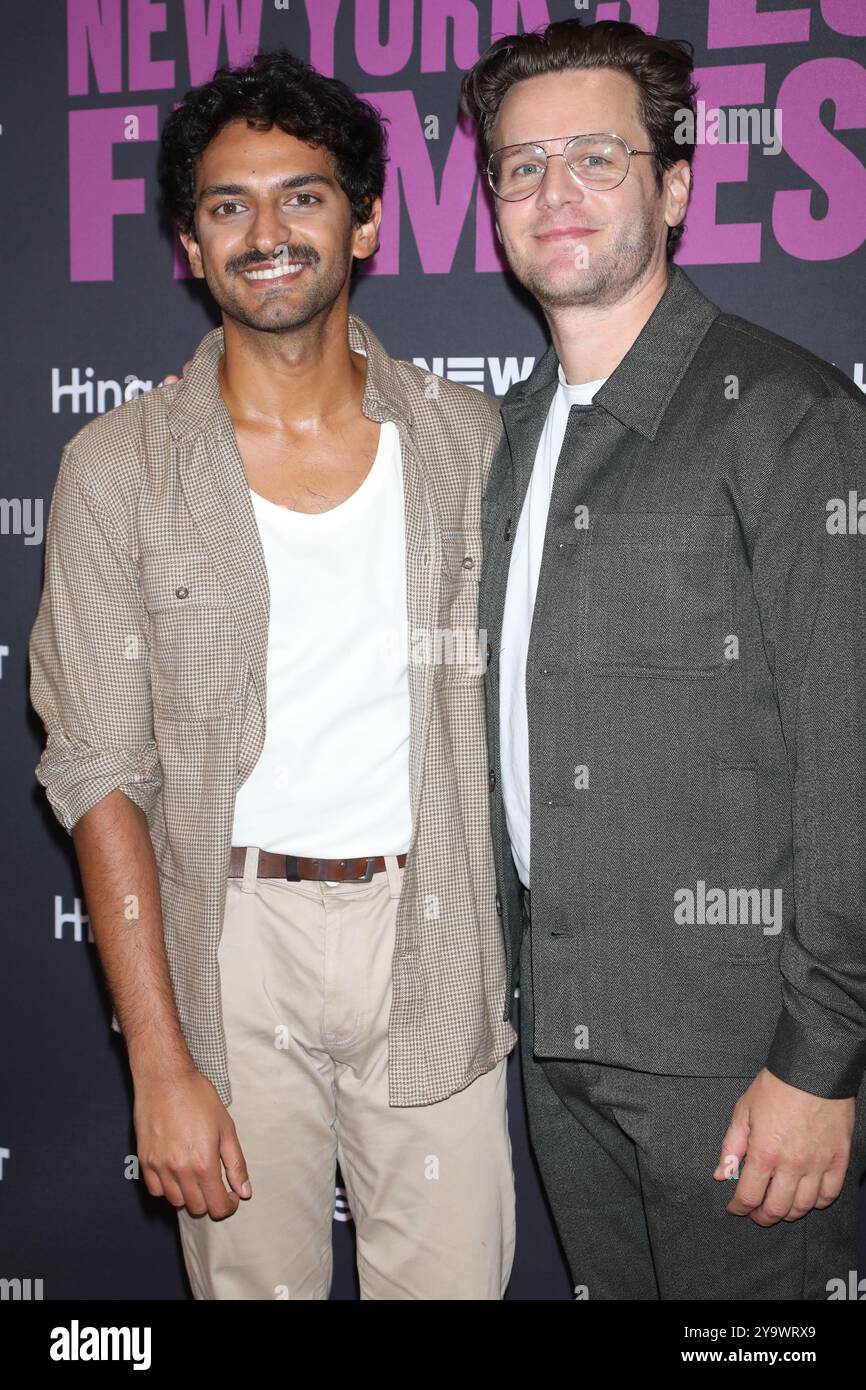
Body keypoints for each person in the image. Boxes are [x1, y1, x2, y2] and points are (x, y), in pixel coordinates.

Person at [28, 48, 516, 1301]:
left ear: (364, 221)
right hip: (229, 944)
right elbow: (97, 769)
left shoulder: (469, 444)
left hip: (438, 930)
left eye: (302, 195)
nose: (266, 232)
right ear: (189, 247)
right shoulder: (114, 470)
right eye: (226, 205)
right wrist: (159, 1061)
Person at [461, 17, 866, 1300]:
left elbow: (851, 761)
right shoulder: (510, 440)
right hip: (560, 1048)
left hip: (740, 1072)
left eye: (594, 157)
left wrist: (819, 1060)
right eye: (520, 167)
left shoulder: (792, 420)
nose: (553, 193)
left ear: (675, 186)